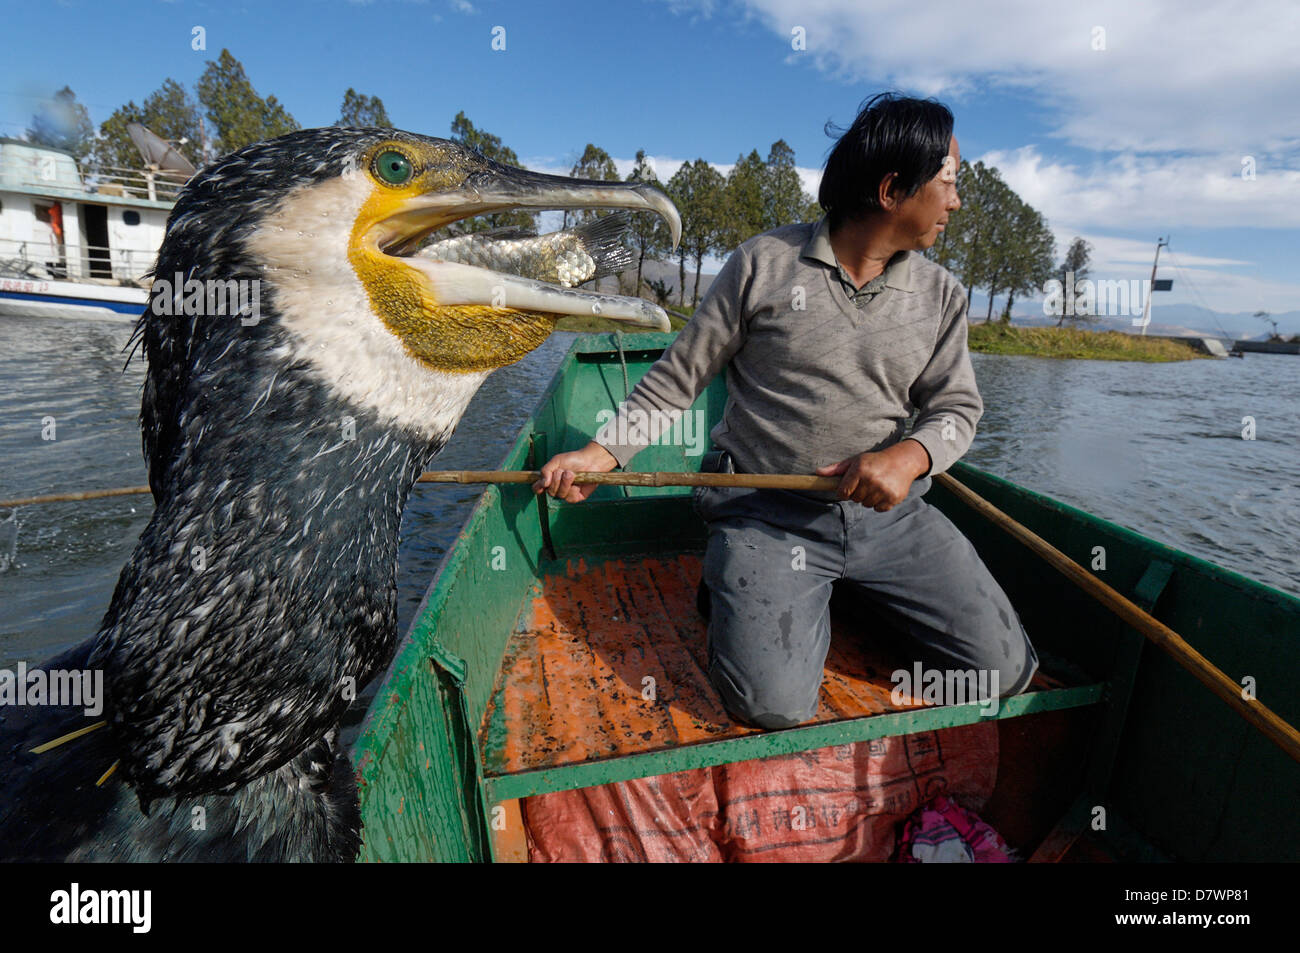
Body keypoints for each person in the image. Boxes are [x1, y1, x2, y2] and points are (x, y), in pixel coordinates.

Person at [534, 92, 1038, 730]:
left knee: (1002, 673)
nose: (956, 202)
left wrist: (909, 456)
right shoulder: (762, 265)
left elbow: (957, 409)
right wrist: (597, 455)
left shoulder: (940, 295)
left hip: (887, 519)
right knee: (773, 706)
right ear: (891, 189)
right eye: (948, 184)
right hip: (766, 515)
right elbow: (676, 382)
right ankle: (734, 586)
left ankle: (844, 591)